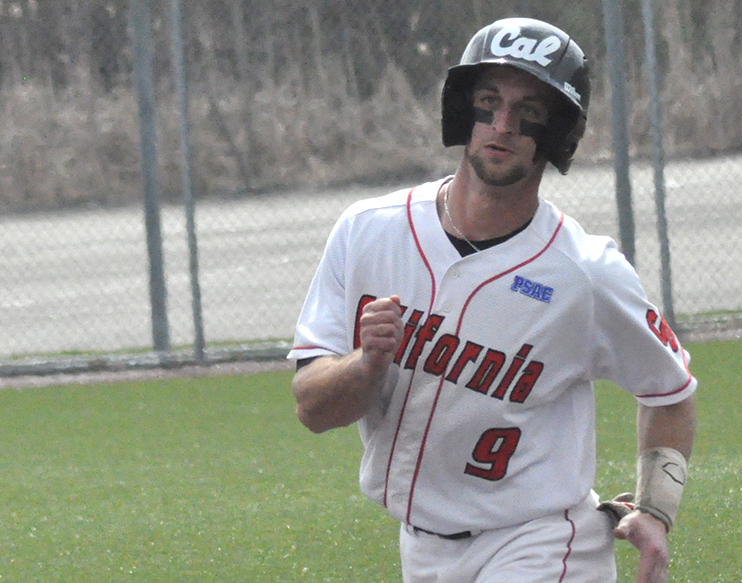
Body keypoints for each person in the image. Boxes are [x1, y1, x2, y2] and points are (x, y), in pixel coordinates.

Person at [288, 17, 697, 583]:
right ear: (463, 110)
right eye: (489, 101)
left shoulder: (585, 273)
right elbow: (312, 409)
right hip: (422, 548)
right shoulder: (368, 233)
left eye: (528, 111)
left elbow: (669, 390)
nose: (502, 125)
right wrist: (366, 363)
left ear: (558, 133)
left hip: (540, 543)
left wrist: (656, 510)